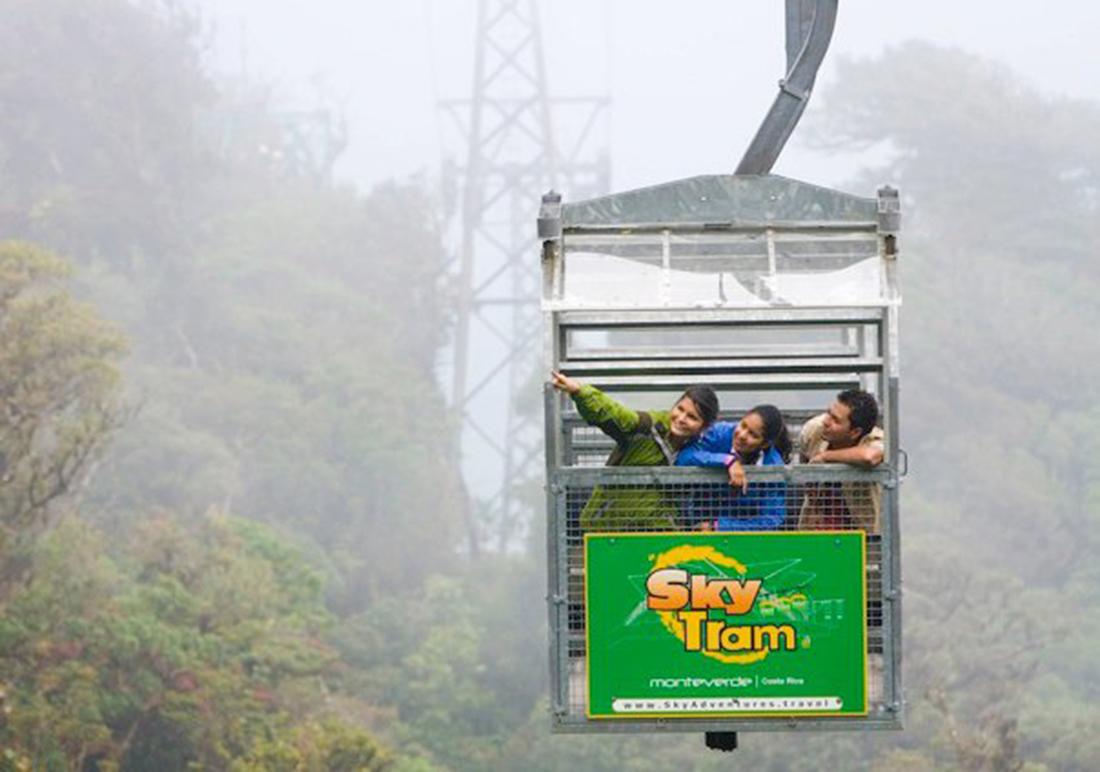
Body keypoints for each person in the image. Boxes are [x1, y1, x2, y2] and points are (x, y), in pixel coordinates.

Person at [550, 371, 718, 531]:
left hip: (654, 531)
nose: (681, 419)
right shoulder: (647, 426)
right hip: (608, 529)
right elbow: (617, 415)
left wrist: (732, 463)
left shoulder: (696, 451)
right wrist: (580, 392)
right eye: (680, 409)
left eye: (692, 417)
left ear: (704, 427)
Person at [676, 405, 791, 531]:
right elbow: (684, 458)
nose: (742, 435)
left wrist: (718, 527)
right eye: (743, 425)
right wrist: (726, 460)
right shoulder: (719, 433)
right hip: (696, 524)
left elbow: (772, 520)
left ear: (764, 444)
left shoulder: (773, 467)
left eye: (753, 434)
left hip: (741, 534)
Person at [797, 389, 885, 532]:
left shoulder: (876, 438)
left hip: (860, 529)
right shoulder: (814, 430)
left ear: (855, 432)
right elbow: (805, 461)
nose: (826, 421)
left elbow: (869, 456)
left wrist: (826, 456)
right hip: (817, 524)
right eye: (828, 413)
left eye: (836, 420)